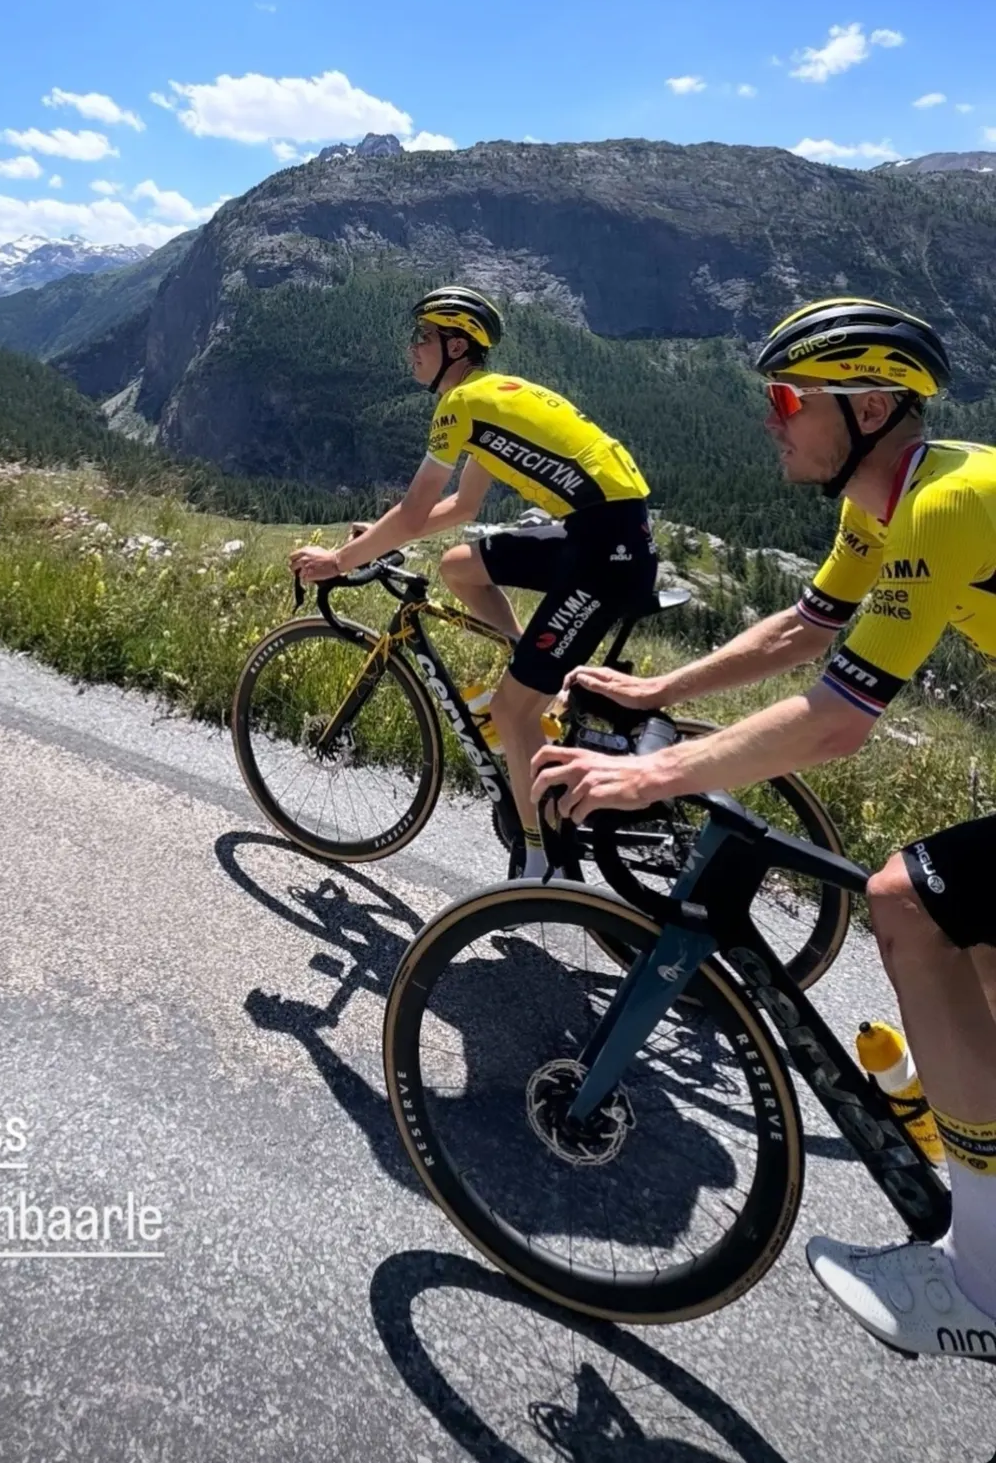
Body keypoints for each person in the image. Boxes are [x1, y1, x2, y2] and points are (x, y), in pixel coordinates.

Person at [531, 295, 996, 1361]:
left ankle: (973, 1285)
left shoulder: (947, 503)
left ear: (869, 405)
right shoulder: (889, 495)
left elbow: (834, 720)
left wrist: (650, 778)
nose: (769, 419)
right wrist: (657, 694)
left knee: (903, 903)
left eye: (786, 398)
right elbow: (805, 625)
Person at [290, 286, 657, 878]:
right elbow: (462, 506)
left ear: (455, 345)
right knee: (460, 565)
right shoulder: (490, 399)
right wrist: (378, 542)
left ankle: (545, 862)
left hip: (604, 550)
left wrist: (338, 559)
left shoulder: (460, 406)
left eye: (422, 338)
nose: (412, 349)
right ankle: (533, 672)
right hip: (607, 534)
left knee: (512, 713)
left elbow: (413, 513)